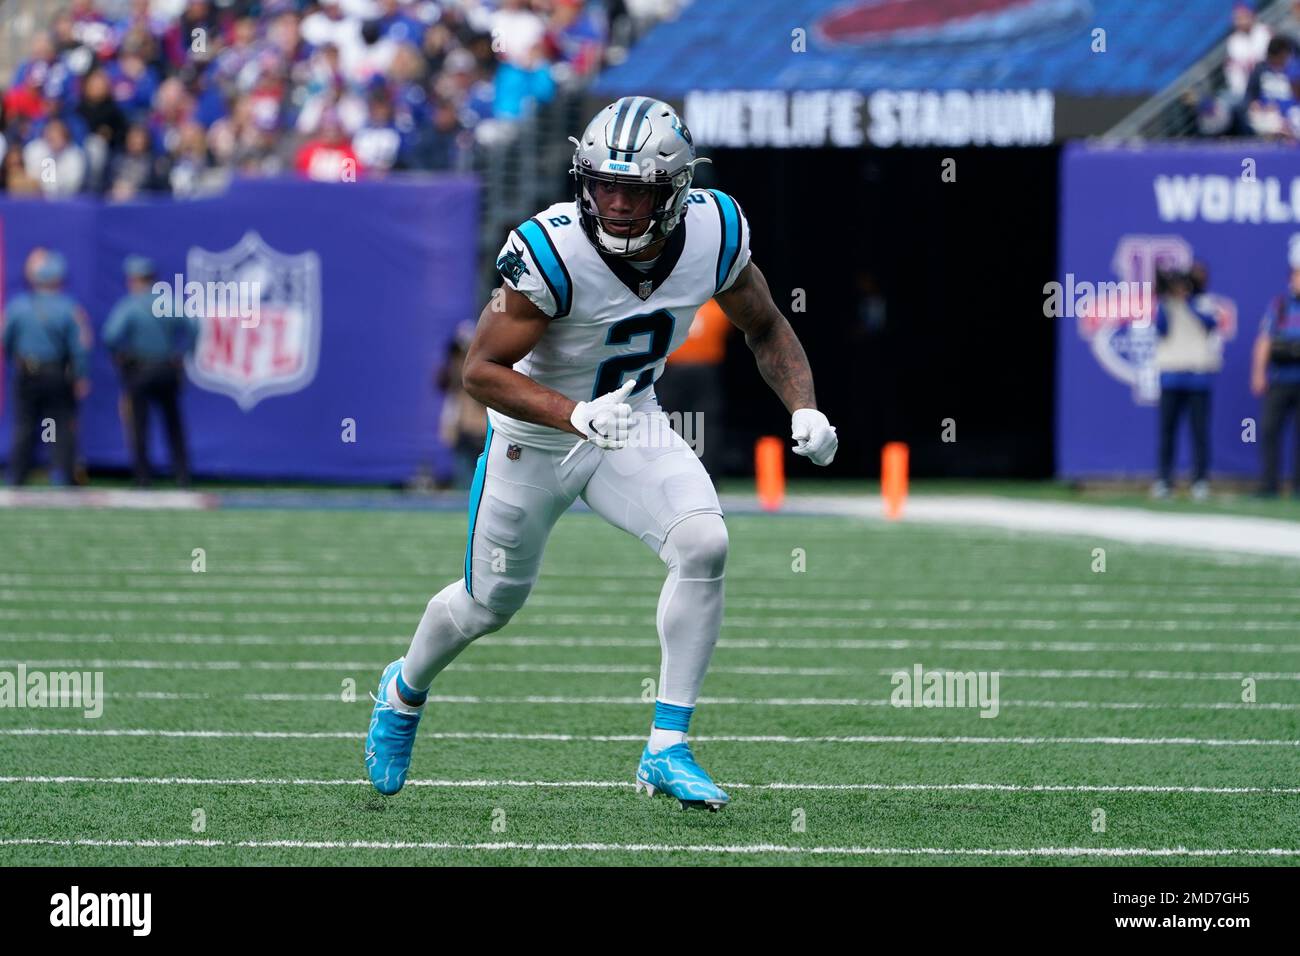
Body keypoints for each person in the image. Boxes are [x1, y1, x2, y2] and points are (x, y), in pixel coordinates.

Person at [364, 97, 839, 809]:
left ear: (675, 190)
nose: (615, 203)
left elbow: (766, 325)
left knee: (705, 542)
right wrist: (574, 413)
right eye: (603, 184)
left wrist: (804, 407)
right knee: (488, 604)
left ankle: (666, 747)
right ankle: (402, 693)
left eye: (636, 189)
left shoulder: (715, 231)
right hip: (535, 435)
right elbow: (480, 373)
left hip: (630, 420)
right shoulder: (551, 249)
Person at [102, 255, 198, 487]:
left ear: (133, 279)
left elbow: (111, 335)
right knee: (173, 423)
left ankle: (143, 476)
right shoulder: (168, 302)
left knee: (139, 424)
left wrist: (120, 355)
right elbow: (193, 327)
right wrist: (183, 353)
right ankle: (182, 473)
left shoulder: (131, 305)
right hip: (167, 368)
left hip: (140, 369)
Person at [3, 251, 88, 486]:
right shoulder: (68, 307)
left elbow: (6, 339)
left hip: (27, 373)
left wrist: (18, 361)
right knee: (56, 424)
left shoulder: (19, 306)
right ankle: (59, 471)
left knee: (25, 425)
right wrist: (80, 375)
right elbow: (79, 346)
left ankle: (17, 475)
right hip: (56, 374)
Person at [1151, 269, 1220, 501]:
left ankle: (1200, 480)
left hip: (1198, 376)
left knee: (1199, 432)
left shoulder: (1203, 303)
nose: (1179, 290)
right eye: (1176, 286)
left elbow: (1210, 323)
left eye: (1183, 286)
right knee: (1167, 431)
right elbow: (1161, 328)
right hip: (1171, 375)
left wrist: (1187, 302)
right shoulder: (1164, 305)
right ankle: (1164, 480)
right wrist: (1168, 300)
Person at [654, 297, 730, 476]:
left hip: (675, 368)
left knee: (670, 419)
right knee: (705, 422)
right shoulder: (717, 310)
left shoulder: (674, 305)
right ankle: (707, 472)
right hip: (704, 368)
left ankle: (669, 469)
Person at [1251, 264, 1300, 497]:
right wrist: (1259, 373)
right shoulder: (1280, 305)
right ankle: (1269, 485)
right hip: (1280, 379)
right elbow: (1264, 341)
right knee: (1270, 430)